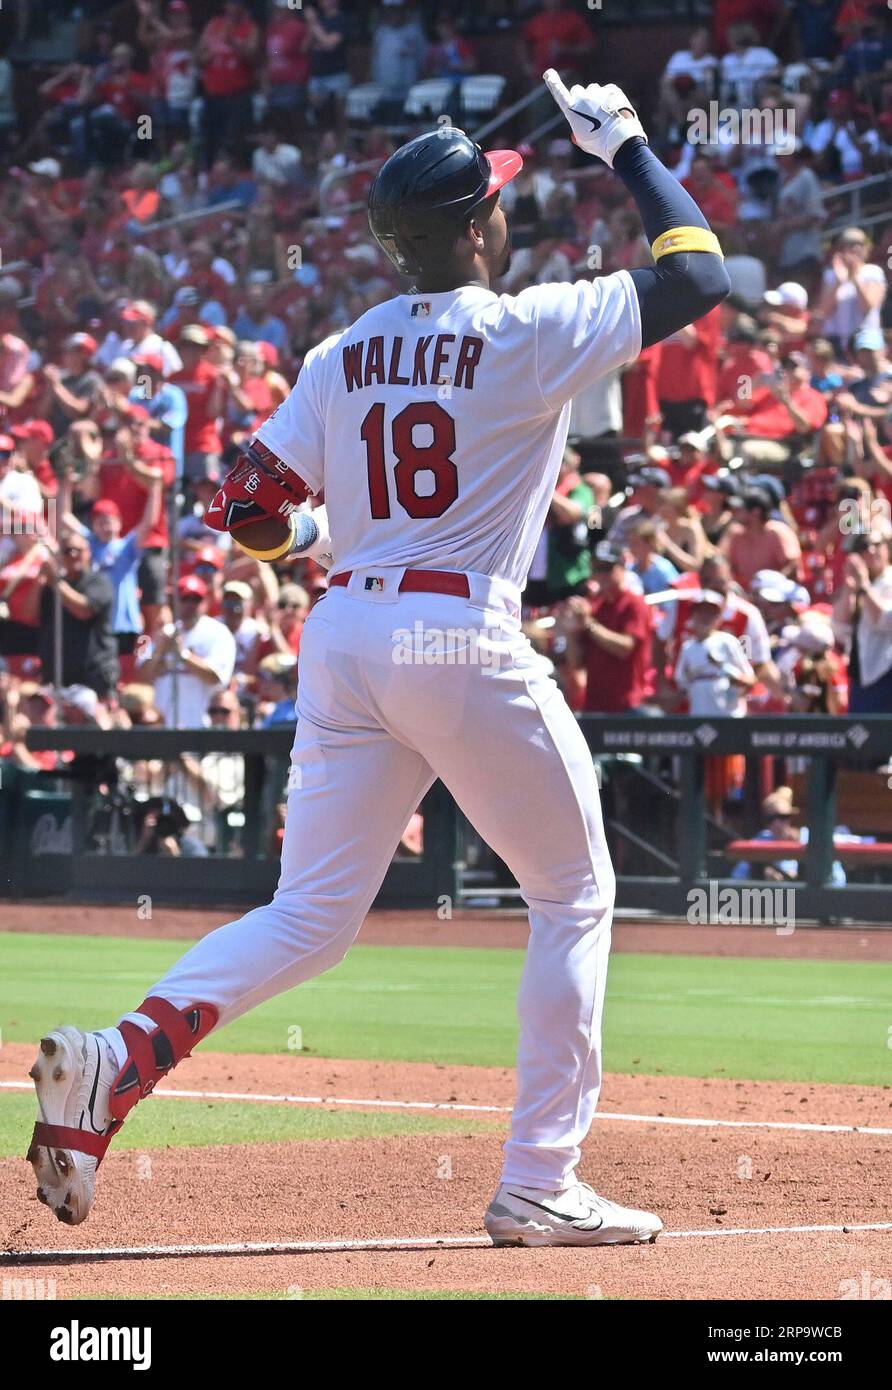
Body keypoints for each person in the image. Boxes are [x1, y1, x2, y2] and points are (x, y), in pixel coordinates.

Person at [26, 74, 729, 1242]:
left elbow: (238, 505)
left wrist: (320, 531)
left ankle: (121, 1057)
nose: (504, 211)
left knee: (308, 915)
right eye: (492, 201)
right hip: (457, 627)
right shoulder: (527, 326)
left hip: (347, 632)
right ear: (471, 228)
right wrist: (630, 147)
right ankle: (540, 1177)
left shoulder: (340, 352)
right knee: (573, 892)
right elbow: (699, 272)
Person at [136, 573, 236, 728]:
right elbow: (142, 679)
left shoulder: (218, 632)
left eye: (196, 599)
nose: (190, 604)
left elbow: (217, 677)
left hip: (202, 726)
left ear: (205, 601)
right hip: (163, 726)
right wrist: (159, 653)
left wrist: (184, 655)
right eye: (185, 598)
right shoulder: (164, 633)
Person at [832, 530, 892, 712]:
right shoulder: (858, 585)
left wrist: (864, 586)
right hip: (863, 673)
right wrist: (850, 589)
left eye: (877, 544)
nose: (872, 551)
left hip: (886, 672)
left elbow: (886, 621)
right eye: (864, 547)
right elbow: (840, 629)